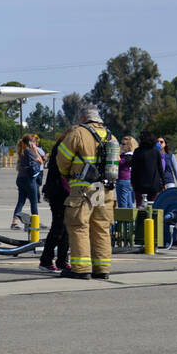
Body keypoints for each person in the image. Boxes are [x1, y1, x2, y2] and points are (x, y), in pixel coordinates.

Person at [56, 105, 117, 279]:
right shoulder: (111, 135)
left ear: (83, 118)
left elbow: (63, 158)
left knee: (79, 226)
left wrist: (67, 174)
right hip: (106, 190)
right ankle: (102, 269)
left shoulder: (78, 133)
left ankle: (81, 269)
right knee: (101, 227)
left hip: (84, 189)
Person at [38, 132, 72, 273]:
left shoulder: (65, 148)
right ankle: (46, 260)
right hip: (58, 192)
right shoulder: (62, 149)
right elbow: (61, 173)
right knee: (58, 227)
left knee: (67, 229)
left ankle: (62, 260)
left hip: (65, 192)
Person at [11, 135, 43, 230]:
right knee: (33, 201)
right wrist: (35, 150)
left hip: (20, 179)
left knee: (21, 201)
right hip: (29, 179)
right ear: (30, 142)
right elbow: (40, 161)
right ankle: (35, 221)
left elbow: (17, 168)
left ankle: (14, 222)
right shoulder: (29, 151)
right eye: (33, 142)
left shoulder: (21, 152)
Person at [130, 134, 166, 207]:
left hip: (139, 184)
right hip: (153, 184)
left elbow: (134, 169)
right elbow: (160, 168)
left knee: (139, 205)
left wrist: (132, 182)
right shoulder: (156, 151)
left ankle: (140, 218)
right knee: (152, 205)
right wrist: (163, 182)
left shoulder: (137, 151)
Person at [115, 136, 136, 208]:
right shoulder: (124, 155)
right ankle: (131, 218)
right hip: (125, 180)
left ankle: (123, 218)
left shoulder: (129, 156)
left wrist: (115, 152)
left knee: (122, 202)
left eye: (123, 144)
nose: (121, 146)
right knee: (128, 202)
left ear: (129, 145)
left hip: (123, 180)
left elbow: (120, 162)